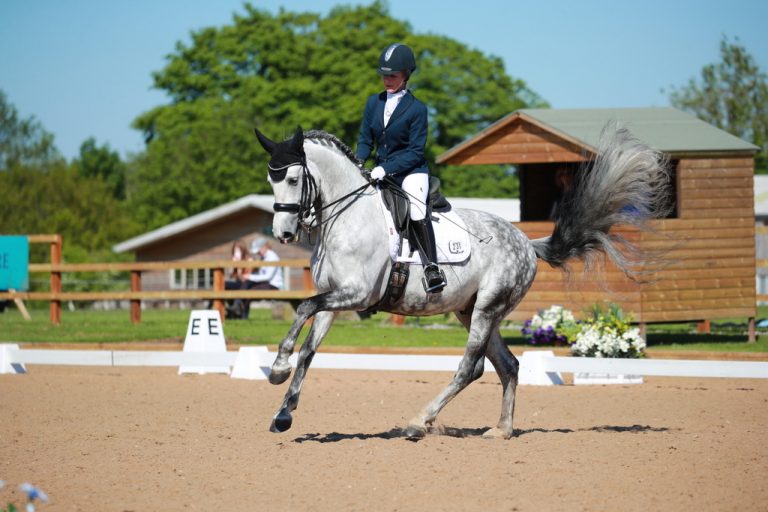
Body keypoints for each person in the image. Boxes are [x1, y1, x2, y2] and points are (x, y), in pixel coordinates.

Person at [356, 42, 446, 293]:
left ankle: (432, 268)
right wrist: (359, 162)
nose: (387, 80)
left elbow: (415, 151)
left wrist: (386, 169)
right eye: (384, 75)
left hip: (411, 172)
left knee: (417, 210)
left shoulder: (417, 109)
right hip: (379, 170)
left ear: (406, 75)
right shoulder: (373, 103)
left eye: (392, 75)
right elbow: (365, 139)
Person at [241, 238, 284, 319]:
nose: (257, 253)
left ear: (264, 247)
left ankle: (243, 315)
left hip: (273, 286)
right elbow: (261, 274)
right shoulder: (264, 257)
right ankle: (241, 311)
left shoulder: (272, 257)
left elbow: (267, 277)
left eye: (258, 251)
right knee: (246, 285)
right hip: (266, 284)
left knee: (249, 291)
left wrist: (249, 276)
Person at [223, 240, 252, 319]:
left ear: (242, 249)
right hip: (238, 283)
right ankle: (230, 310)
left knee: (239, 288)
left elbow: (245, 278)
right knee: (222, 285)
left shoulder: (249, 260)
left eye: (238, 250)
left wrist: (239, 266)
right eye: (235, 250)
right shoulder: (235, 260)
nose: (236, 252)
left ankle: (238, 311)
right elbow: (232, 276)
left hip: (247, 284)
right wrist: (233, 265)